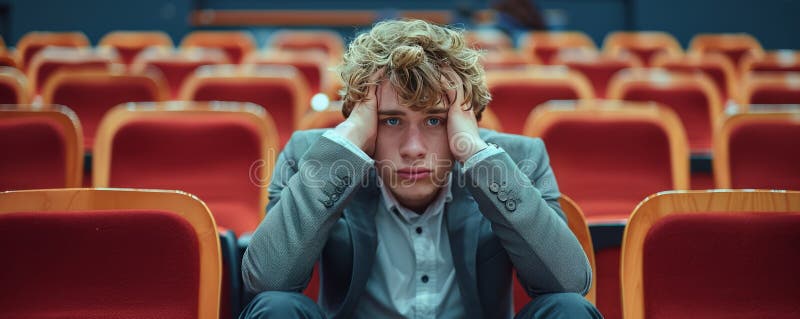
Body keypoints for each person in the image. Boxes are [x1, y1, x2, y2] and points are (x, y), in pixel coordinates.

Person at [240, 19, 601, 319]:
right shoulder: (317, 158)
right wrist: (348, 139)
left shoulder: (518, 159)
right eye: (392, 120)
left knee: (568, 310)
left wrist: (474, 153)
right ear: (365, 122)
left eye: (434, 120)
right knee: (276, 307)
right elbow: (265, 280)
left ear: (464, 119)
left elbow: (569, 283)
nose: (413, 149)